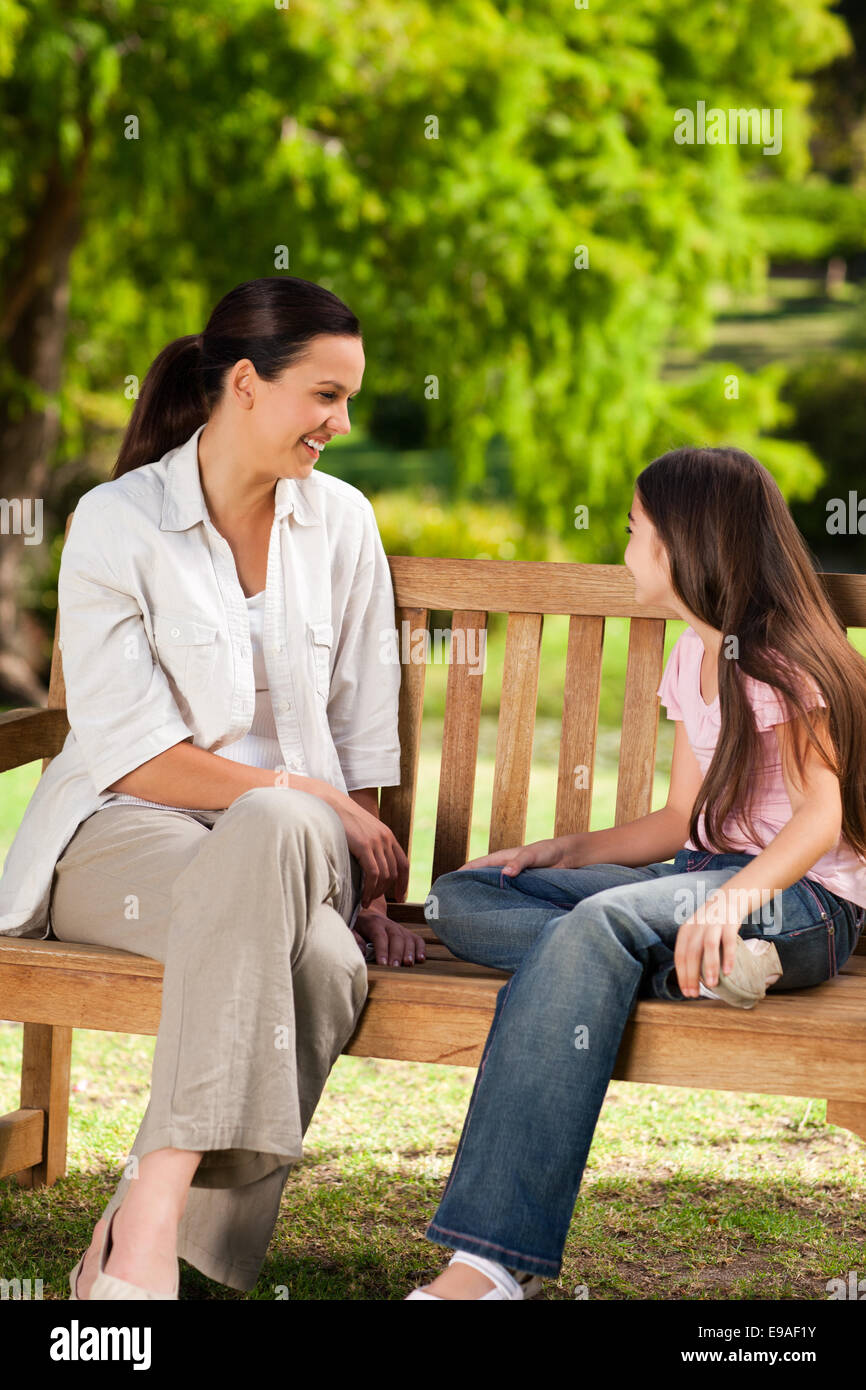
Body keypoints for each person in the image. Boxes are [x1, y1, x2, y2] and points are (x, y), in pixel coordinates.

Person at [0, 274, 426, 1299]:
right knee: (319, 965)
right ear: (245, 382)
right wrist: (304, 794)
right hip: (123, 840)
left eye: (349, 398)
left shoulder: (343, 524)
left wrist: (366, 882)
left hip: (296, 848)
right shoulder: (119, 523)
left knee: (283, 830)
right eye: (325, 395)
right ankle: (185, 1268)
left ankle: (146, 1212)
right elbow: (131, 752)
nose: (342, 421)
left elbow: (366, 729)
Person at [405, 445, 866, 1301]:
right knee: (462, 898)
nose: (623, 547)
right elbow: (679, 824)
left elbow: (821, 817)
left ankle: (491, 1264)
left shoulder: (778, 655)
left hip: (798, 903)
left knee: (598, 929)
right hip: (698, 883)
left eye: (633, 531)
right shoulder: (693, 657)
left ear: (686, 545)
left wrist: (730, 902)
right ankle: (664, 966)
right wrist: (561, 851)